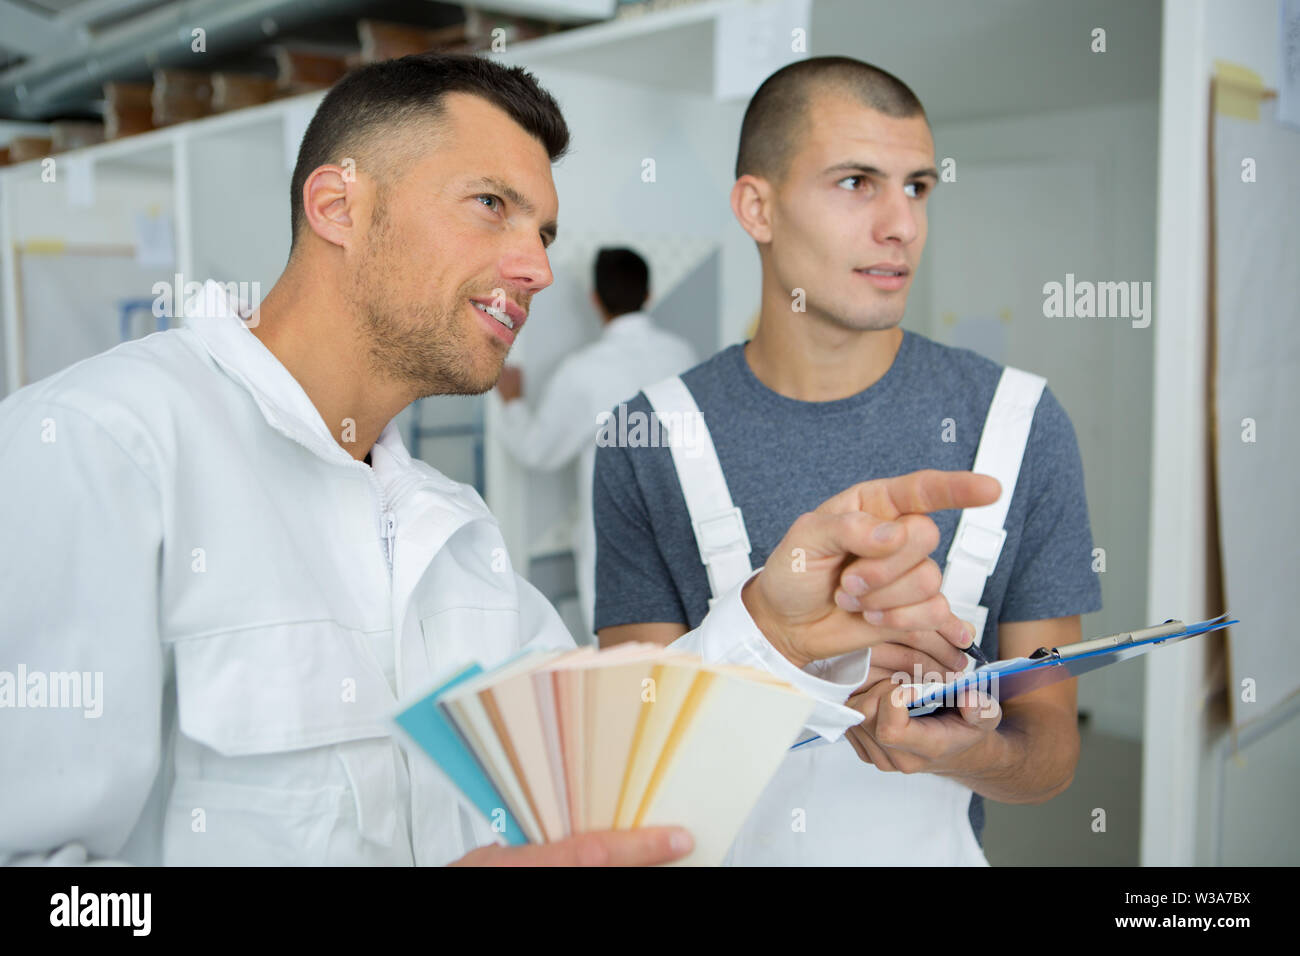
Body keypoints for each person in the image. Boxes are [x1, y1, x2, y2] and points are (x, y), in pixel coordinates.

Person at [0, 53, 997, 867]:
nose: (536, 265)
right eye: (490, 204)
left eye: (545, 229)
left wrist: (771, 628)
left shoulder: (453, 528)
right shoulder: (101, 448)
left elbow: (591, 761)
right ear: (337, 206)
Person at [593, 56, 1103, 865]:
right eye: (857, 182)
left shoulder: (1021, 425)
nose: (901, 223)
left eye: (919, 186)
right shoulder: (650, 439)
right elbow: (622, 761)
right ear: (756, 207)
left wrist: (962, 751)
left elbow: (1050, 752)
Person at [493, 247, 697, 637]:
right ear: (649, 294)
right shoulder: (682, 354)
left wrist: (513, 404)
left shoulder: (584, 373)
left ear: (594, 300)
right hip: (682, 529)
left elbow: (538, 450)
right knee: (684, 656)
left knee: (620, 663)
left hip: (614, 543)